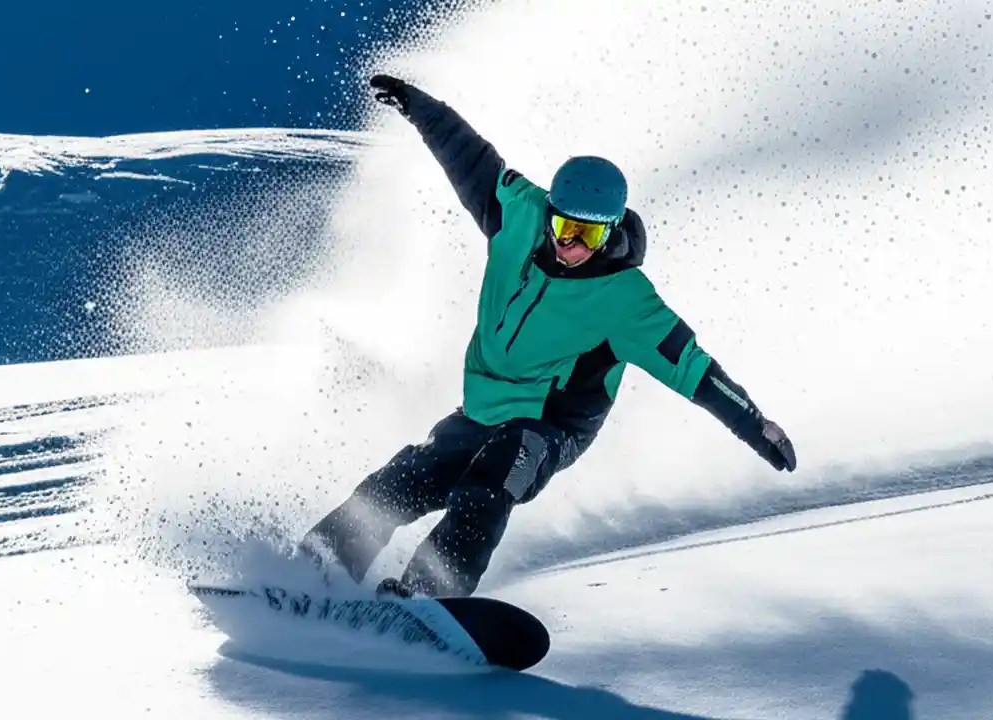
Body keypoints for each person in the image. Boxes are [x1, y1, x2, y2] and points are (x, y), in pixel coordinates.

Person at [299, 74, 797, 599]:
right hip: (483, 409)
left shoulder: (626, 299)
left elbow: (692, 368)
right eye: (566, 229)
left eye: (590, 235)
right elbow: (465, 154)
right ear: (552, 216)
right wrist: (418, 104)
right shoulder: (517, 214)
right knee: (399, 482)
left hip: (550, 426)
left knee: (492, 478)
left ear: (611, 231)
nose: (574, 246)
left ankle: (429, 594)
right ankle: (315, 570)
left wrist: (753, 423)